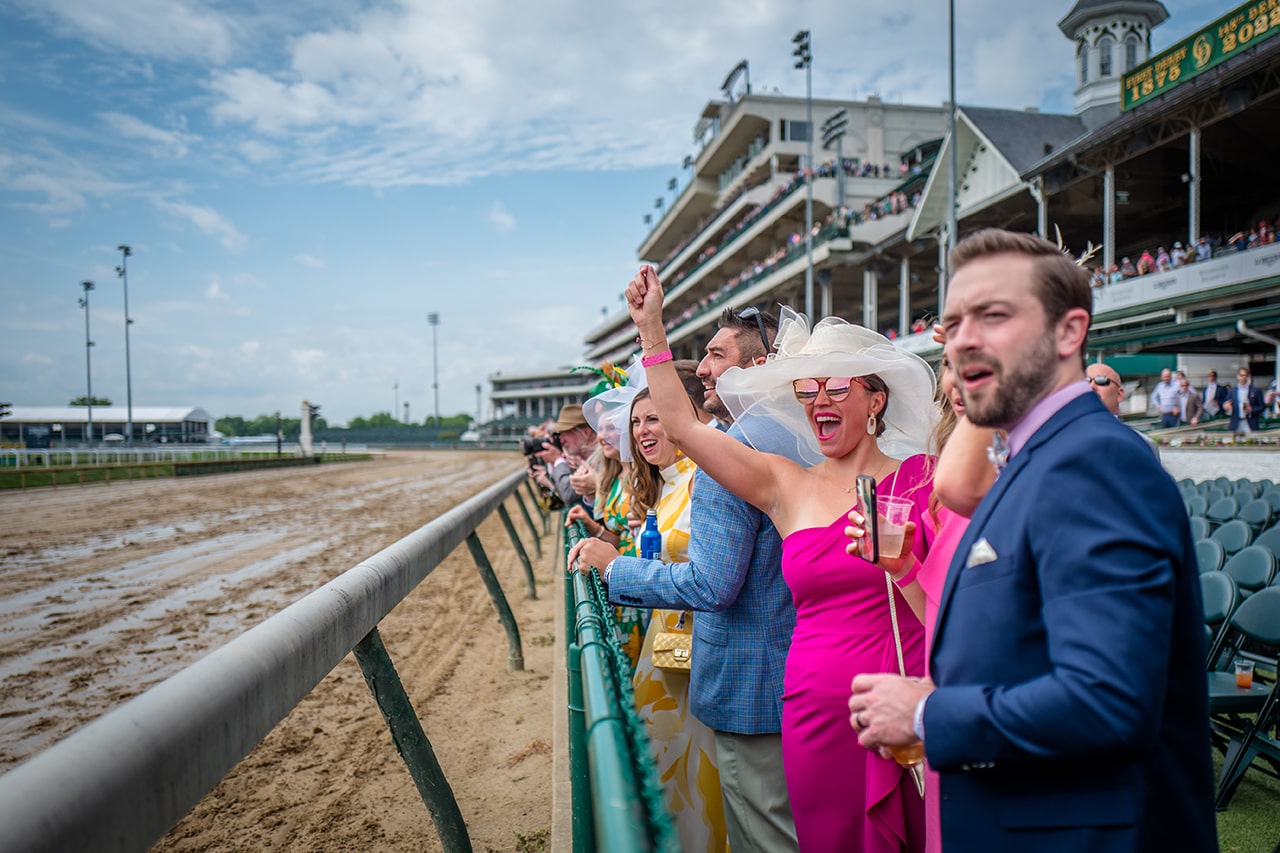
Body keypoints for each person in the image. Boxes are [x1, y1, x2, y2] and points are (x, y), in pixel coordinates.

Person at [848, 228, 1217, 852]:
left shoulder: (1093, 462)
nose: (964, 336)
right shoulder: (1032, 459)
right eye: (955, 320)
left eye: (993, 315)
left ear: (1070, 333)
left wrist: (925, 715)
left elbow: (1108, 702)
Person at [625, 265, 937, 853]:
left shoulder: (923, 481)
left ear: (875, 398)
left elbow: (956, 605)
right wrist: (651, 332)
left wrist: (904, 567)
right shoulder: (783, 484)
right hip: (811, 712)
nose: (819, 397)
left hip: (902, 704)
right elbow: (683, 428)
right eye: (808, 387)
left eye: (837, 387)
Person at [571, 307, 803, 853]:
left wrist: (613, 566)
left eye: (716, 355)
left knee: (759, 833)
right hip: (779, 674)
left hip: (748, 683)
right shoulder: (785, 438)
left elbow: (711, 586)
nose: (702, 368)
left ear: (760, 365)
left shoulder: (734, 456)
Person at [845, 343, 996, 853]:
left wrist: (927, 712)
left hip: (996, 743)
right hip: (954, 730)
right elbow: (939, 623)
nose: (955, 380)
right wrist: (903, 567)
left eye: (972, 363)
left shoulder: (1017, 477)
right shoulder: (944, 492)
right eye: (948, 366)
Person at [574, 363, 729, 853]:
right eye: (637, 421)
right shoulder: (664, 485)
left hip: (698, 661)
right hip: (664, 655)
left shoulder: (705, 477)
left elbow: (709, 580)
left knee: (696, 791)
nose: (642, 431)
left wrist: (615, 566)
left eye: (655, 418)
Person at [1086, 362, 1160, 459]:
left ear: (1120, 394)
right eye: (1085, 382)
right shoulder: (1062, 438)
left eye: (1101, 381)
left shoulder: (1143, 445)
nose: (1092, 386)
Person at [1224, 366, 1266, 433]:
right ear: (1237, 376)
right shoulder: (1232, 391)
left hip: (1250, 422)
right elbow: (1226, 404)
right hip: (1236, 422)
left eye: (1245, 375)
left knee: (1252, 442)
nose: (1243, 378)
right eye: (1241, 375)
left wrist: (1252, 409)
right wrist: (1225, 406)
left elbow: (1262, 406)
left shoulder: (1256, 390)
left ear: (1248, 376)